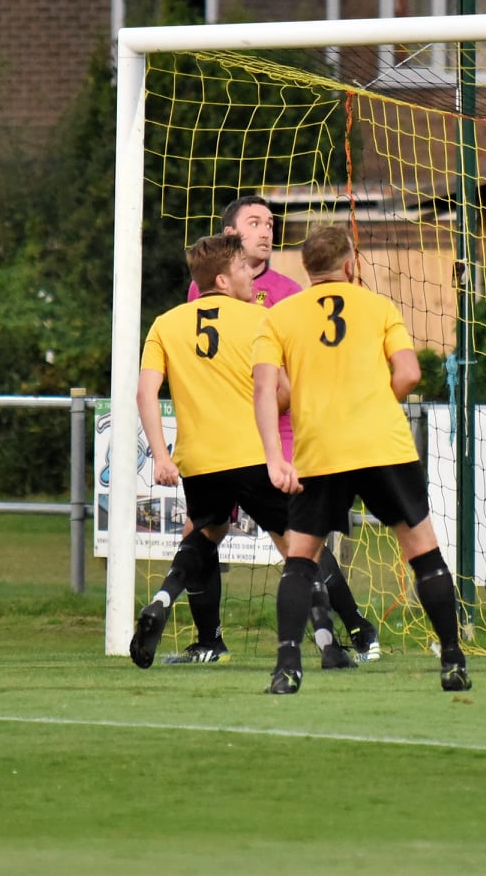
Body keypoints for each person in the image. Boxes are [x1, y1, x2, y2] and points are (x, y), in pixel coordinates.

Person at [128, 233, 361, 672]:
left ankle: (164, 599)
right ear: (222, 277)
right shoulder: (260, 320)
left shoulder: (165, 323)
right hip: (253, 456)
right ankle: (330, 644)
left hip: (197, 462)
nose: (251, 276)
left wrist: (161, 456)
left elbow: (145, 393)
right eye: (242, 269)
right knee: (300, 547)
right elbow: (284, 393)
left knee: (203, 534)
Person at [253, 224, 470, 695]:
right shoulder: (379, 306)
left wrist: (275, 457)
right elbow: (409, 373)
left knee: (301, 559)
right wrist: (374, 401)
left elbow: (266, 390)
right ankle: (453, 659)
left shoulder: (280, 316)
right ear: (351, 265)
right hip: (382, 444)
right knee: (422, 550)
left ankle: (287, 668)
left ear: (307, 269)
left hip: (321, 450)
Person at [172, 194, 379, 665]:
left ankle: (355, 630)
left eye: (269, 223)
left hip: (276, 438)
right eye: (253, 223)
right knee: (201, 531)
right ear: (230, 235)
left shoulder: (288, 292)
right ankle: (210, 642)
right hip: (221, 441)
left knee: (297, 542)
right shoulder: (200, 291)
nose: (265, 231)